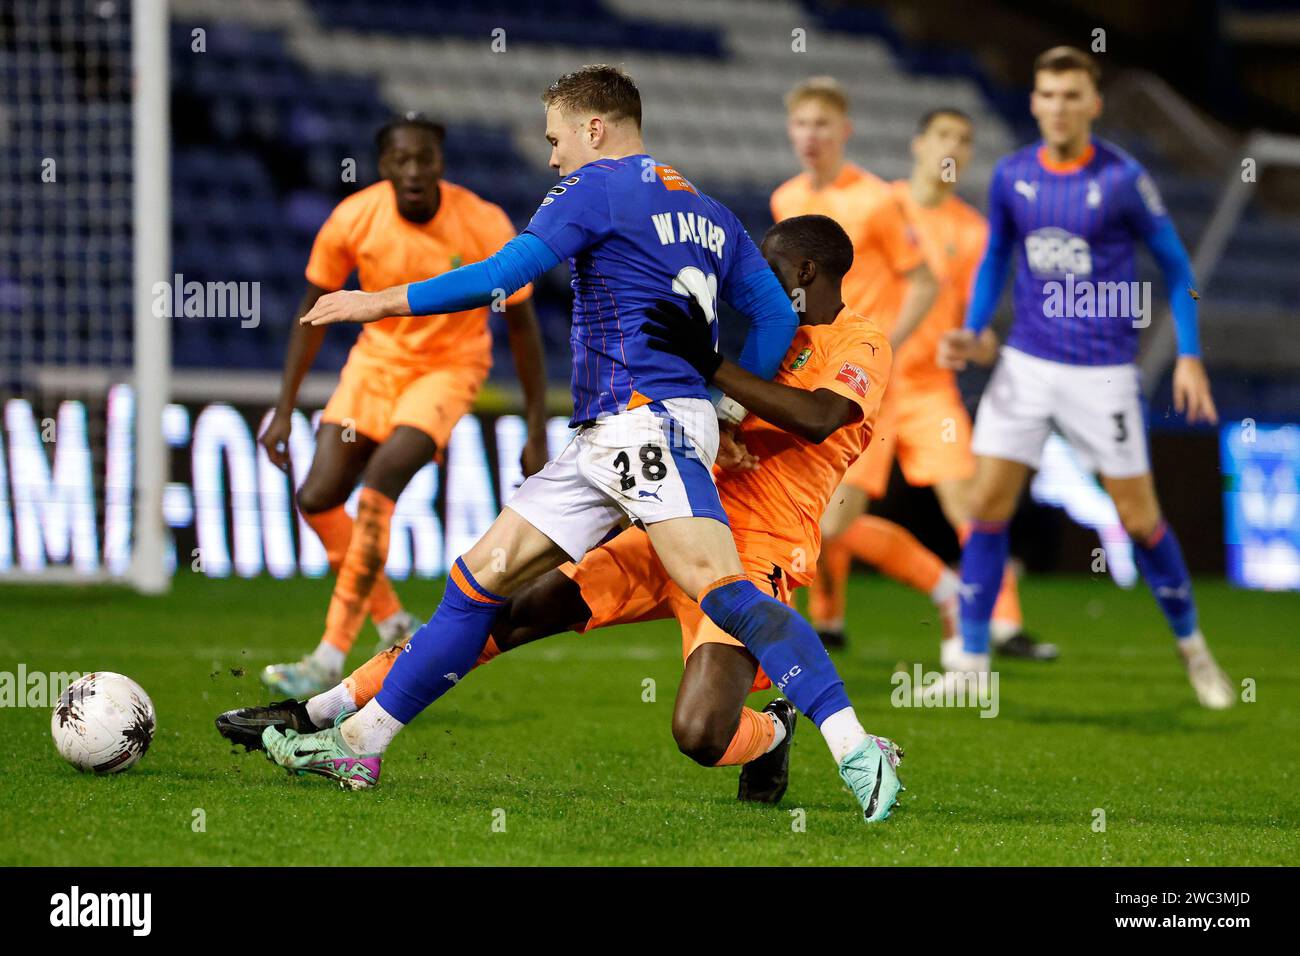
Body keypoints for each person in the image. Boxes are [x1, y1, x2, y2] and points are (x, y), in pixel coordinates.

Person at [258, 67, 905, 821]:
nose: (554, 157)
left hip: (643, 426)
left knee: (725, 594)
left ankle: (854, 746)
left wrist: (381, 302)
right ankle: (359, 741)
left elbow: (506, 275)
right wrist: (723, 410)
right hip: (620, 434)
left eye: (557, 138)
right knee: (480, 581)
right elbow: (772, 320)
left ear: (595, 128)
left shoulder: (595, 189)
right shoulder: (710, 213)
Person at [938, 46, 1233, 708]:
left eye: (1073, 95)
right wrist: (978, 326)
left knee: (1139, 517)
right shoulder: (1013, 175)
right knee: (987, 506)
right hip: (1026, 363)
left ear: (1093, 105)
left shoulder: (1123, 179)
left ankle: (1192, 647)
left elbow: (1180, 270)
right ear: (1035, 101)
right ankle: (973, 659)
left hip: (1103, 373)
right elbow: (995, 259)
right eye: (1048, 94)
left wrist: (1188, 354)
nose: (1059, 106)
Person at [259, 115, 550, 698]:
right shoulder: (354, 217)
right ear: (384, 165)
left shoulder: (482, 222)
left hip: (447, 371)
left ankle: (327, 656)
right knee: (316, 497)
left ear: (441, 164)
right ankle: (392, 622)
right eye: (402, 160)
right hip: (375, 367)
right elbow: (312, 311)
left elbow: (521, 327)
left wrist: (536, 425)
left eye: (426, 160)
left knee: (381, 483)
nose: (415, 171)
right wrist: (285, 407)